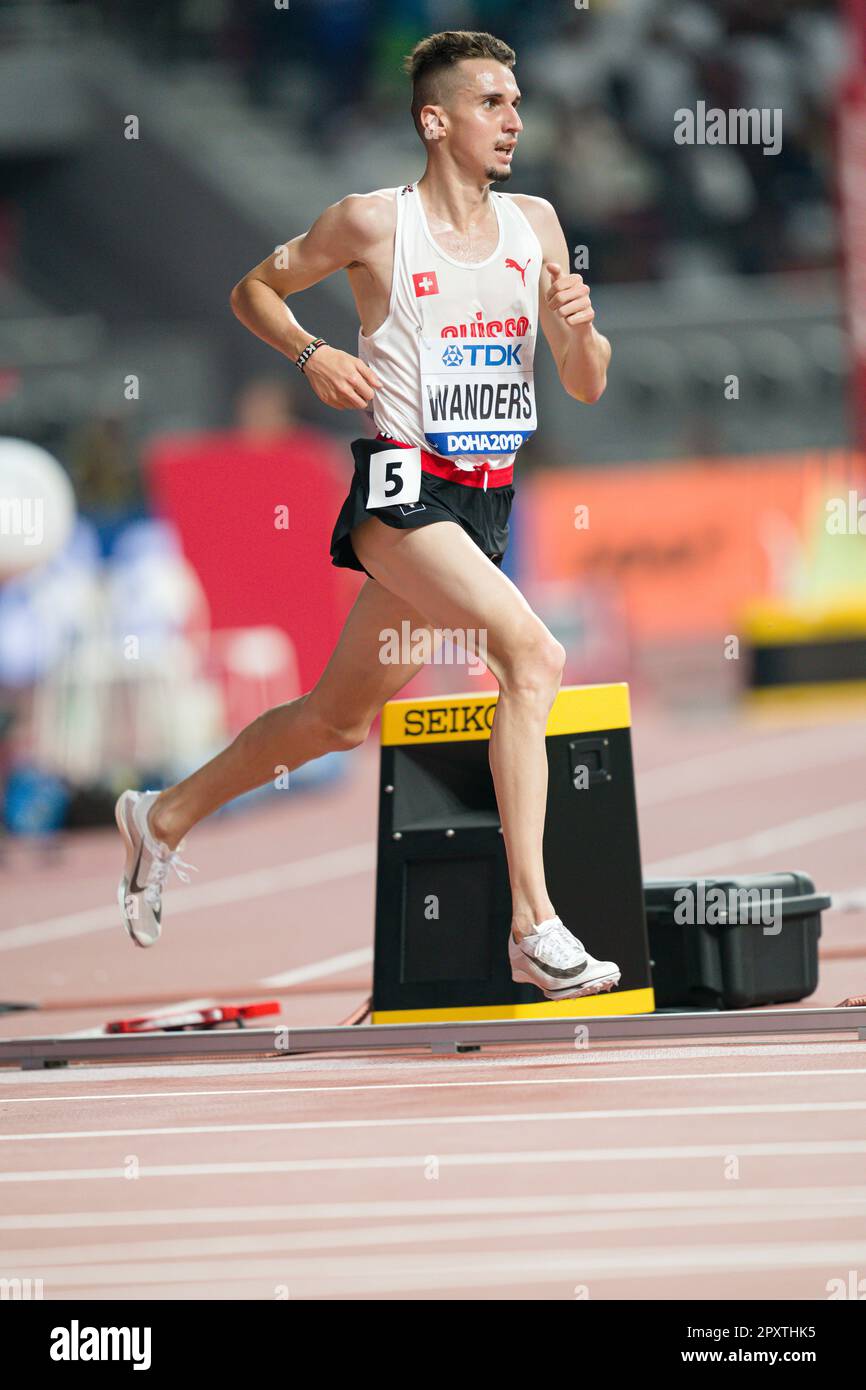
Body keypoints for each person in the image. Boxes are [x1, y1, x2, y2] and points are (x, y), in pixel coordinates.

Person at [115, 29, 621, 1001]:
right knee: (533, 655)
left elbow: (586, 386)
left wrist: (580, 329)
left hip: (481, 506)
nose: (514, 119)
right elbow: (253, 287)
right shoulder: (371, 224)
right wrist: (311, 355)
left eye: (516, 102)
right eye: (490, 103)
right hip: (401, 493)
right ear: (436, 121)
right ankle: (534, 925)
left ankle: (163, 816)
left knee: (336, 719)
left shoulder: (539, 227)